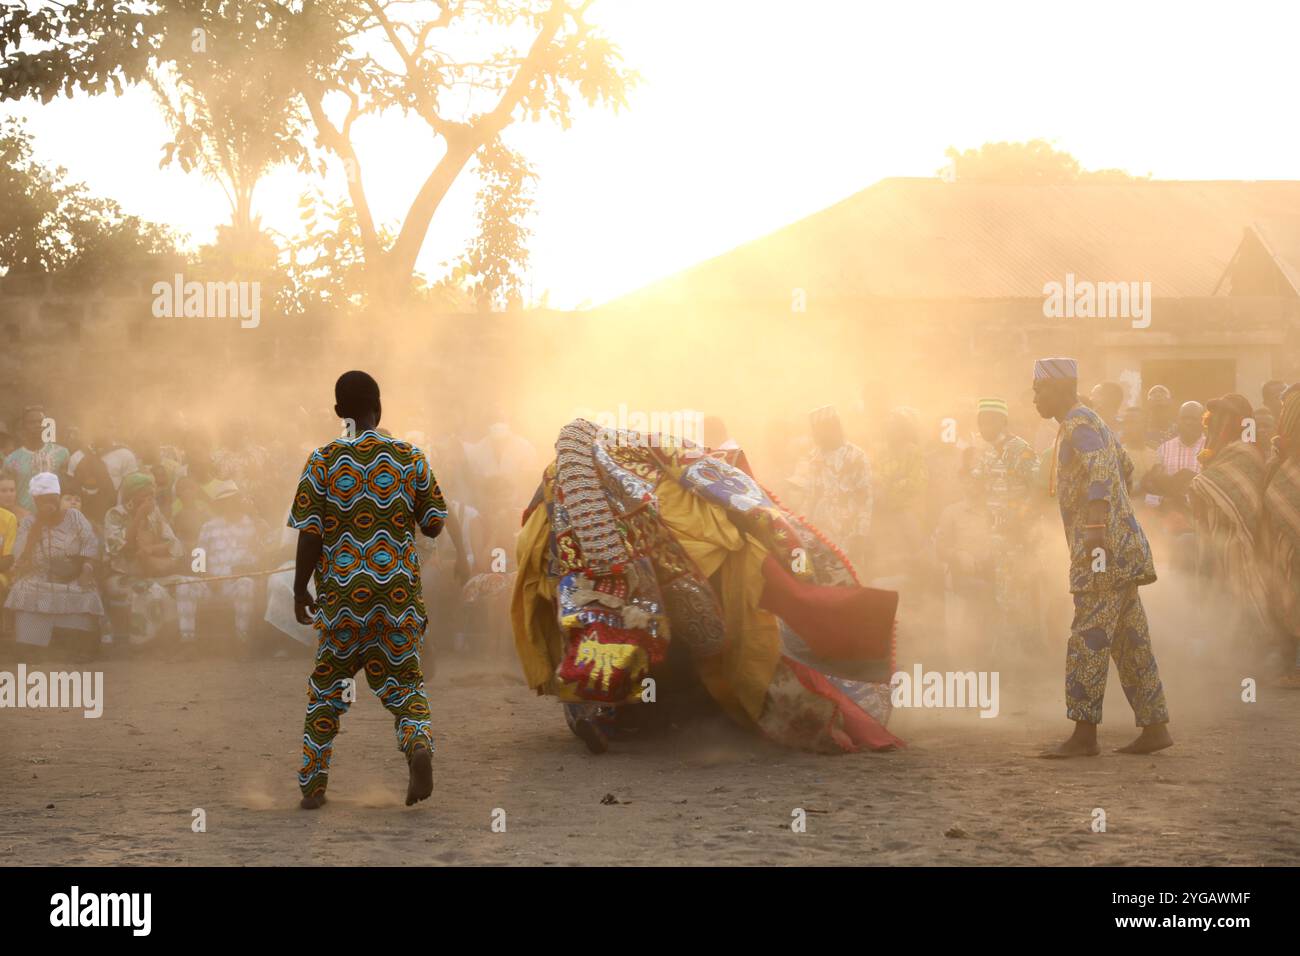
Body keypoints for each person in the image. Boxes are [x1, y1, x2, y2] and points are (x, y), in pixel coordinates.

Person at [289, 371, 447, 810]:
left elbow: (309, 532)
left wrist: (300, 588)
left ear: (339, 413)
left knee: (325, 693)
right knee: (406, 688)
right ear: (379, 406)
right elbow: (434, 521)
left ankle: (313, 786)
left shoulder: (322, 460)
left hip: (341, 603)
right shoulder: (408, 457)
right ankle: (417, 744)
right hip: (396, 600)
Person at [1033, 358, 1172, 757]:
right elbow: (1124, 467)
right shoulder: (1091, 421)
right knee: (1130, 640)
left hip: (1101, 553)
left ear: (1062, 388)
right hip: (1120, 550)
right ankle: (1155, 726)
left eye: (1040, 389)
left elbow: (1101, 469)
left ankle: (1083, 734)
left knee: (1088, 638)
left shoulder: (1077, 424)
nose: (1034, 398)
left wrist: (1095, 529)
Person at [1189, 394, 1272, 656]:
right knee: (1215, 587)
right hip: (1216, 535)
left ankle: (1249, 652)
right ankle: (1223, 649)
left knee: (1240, 589)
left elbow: (1215, 487)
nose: (1215, 427)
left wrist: (1196, 485)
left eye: (1222, 421)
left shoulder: (1245, 451)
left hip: (1239, 537)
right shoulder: (1219, 451)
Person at [969, 397, 1040, 657]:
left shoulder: (1018, 449)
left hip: (1017, 538)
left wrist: (1022, 521)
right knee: (998, 595)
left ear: (1003, 421)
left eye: (989, 420)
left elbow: (1038, 490)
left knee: (1013, 596)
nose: (984, 426)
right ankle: (1004, 655)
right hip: (992, 536)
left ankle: (1019, 659)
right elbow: (976, 487)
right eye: (980, 420)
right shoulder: (985, 451)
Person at [3, 472, 104, 650]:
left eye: (51, 499)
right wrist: (37, 527)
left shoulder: (74, 516)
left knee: (85, 591)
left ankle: (76, 643)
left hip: (74, 575)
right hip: (38, 576)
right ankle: (33, 643)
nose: (47, 504)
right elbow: (19, 555)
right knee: (22, 589)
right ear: (35, 502)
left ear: (57, 498)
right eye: (42, 501)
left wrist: (86, 569)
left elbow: (91, 544)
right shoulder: (29, 522)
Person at [103, 471, 187, 645]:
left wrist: (151, 550)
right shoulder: (115, 514)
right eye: (145, 494)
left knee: (185, 584)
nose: (150, 498)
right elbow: (120, 548)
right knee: (149, 591)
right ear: (132, 495)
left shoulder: (155, 514)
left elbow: (175, 545)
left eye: (152, 494)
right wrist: (139, 516)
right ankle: (141, 642)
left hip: (152, 572)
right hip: (121, 577)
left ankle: (175, 638)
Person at [175, 480, 261, 649]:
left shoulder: (249, 525)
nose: (229, 504)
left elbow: (257, 559)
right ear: (220, 504)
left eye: (232, 500)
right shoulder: (209, 526)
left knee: (247, 584)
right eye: (225, 501)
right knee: (184, 584)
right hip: (210, 585)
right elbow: (197, 560)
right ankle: (187, 641)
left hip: (235, 583)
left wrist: (242, 568)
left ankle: (241, 641)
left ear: (238, 501)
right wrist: (207, 576)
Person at [801, 405, 873, 573]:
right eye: (815, 431)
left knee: (851, 579)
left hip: (849, 532)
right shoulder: (813, 457)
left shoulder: (856, 456)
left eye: (820, 430)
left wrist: (861, 534)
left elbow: (865, 497)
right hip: (819, 533)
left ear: (834, 427)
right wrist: (801, 528)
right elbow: (809, 496)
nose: (816, 435)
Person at [1262, 388, 1300, 686]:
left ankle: (1290, 669)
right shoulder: (1279, 457)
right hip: (1284, 545)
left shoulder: (1284, 460)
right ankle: (1289, 669)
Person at [4, 405, 69, 514]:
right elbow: (6, 493)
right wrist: (18, 511)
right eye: (32, 422)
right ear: (23, 427)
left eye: (40, 422)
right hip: (24, 518)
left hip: (55, 518)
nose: (37, 425)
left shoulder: (61, 453)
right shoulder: (11, 460)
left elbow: (68, 489)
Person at [1144, 385, 1177, 449]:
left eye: (1162, 408)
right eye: (1155, 409)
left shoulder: (1177, 430)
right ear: (1149, 405)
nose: (1159, 413)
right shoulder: (1142, 429)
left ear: (1169, 404)